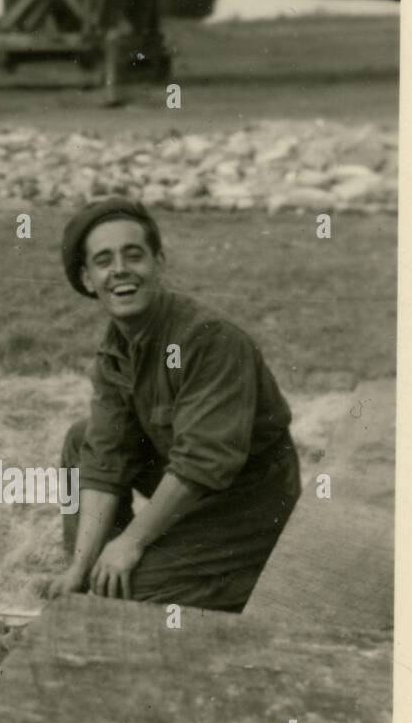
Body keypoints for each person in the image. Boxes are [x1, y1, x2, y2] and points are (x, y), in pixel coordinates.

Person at [46, 196, 301, 612]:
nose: (121, 270)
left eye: (134, 255)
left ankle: (250, 578)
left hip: (249, 511)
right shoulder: (115, 349)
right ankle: (97, 573)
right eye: (104, 261)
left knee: (128, 596)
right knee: (82, 441)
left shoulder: (209, 338)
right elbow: (104, 461)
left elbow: (202, 461)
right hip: (196, 502)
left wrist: (131, 542)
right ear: (88, 279)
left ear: (159, 263)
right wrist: (81, 566)